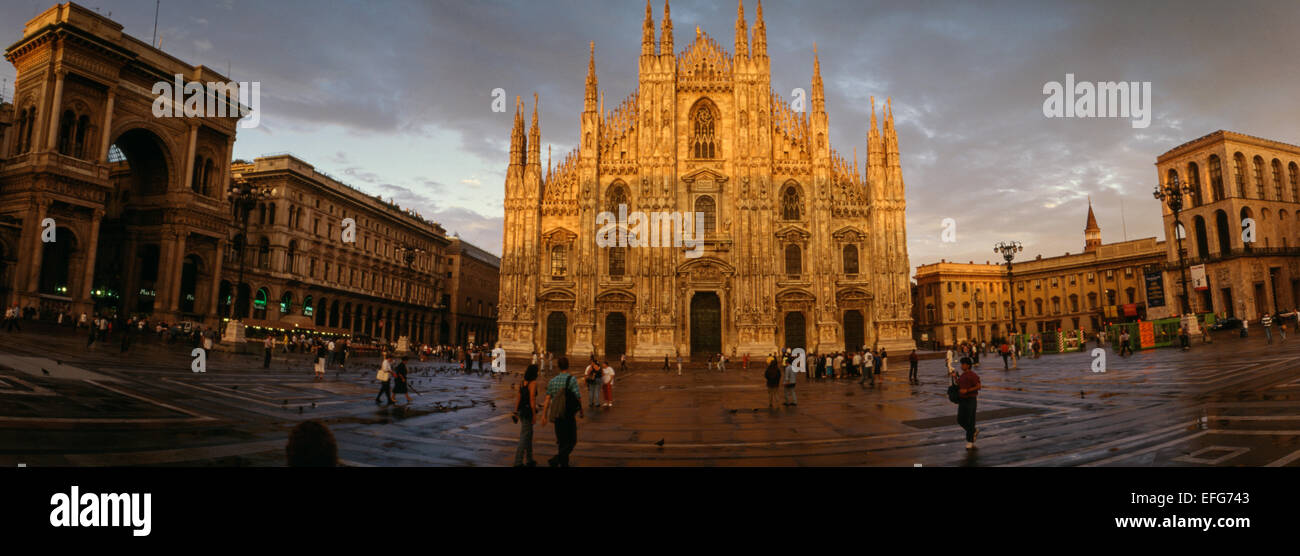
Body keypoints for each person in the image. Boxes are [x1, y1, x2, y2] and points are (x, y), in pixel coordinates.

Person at [539, 357, 583, 467]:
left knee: (561, 442)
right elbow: (578, 397)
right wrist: (581, 411)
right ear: (568, 366)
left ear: (558, 366)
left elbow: (547, 400)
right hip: (568, 415)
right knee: (572, 441)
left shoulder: (552, 381)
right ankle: (557, 459)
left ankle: (563, 462)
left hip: (557, 415)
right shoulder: (572, 380)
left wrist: (544, 415)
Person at [951, 356, 981, 449]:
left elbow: (978, 386)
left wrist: (967, 390)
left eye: (963, 364)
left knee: (970, 420)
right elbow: (959, 385)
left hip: (971, 399)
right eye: (961, 364)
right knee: (960, 420)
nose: (961, 366)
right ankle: (973, 431)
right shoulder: (963, 375)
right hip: (962, 400)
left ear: (968, 365)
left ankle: (970, 441)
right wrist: (955, 378)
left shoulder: (972, 375)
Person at [512, 364, 540, 467]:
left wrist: (516, 411)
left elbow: (518, 398)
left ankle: (529, 459)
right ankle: (518, 461)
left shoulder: (522, 383)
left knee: (528, 435)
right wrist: (534, 414)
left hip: (522, 411)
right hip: (528, 412)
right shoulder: (533, 383)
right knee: (524, 437)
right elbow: (532, 399)